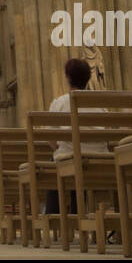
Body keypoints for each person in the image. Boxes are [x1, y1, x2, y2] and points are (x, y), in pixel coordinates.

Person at [42, 57, 109, 215]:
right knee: (74, 158)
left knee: (58, 159)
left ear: (67, 77)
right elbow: (107, 135)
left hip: (70, 159)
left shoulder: (59, 103)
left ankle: (53, 214)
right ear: (87, 78)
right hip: (99, 159)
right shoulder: (100, 105)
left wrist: (61, 148)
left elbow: (51, 139)